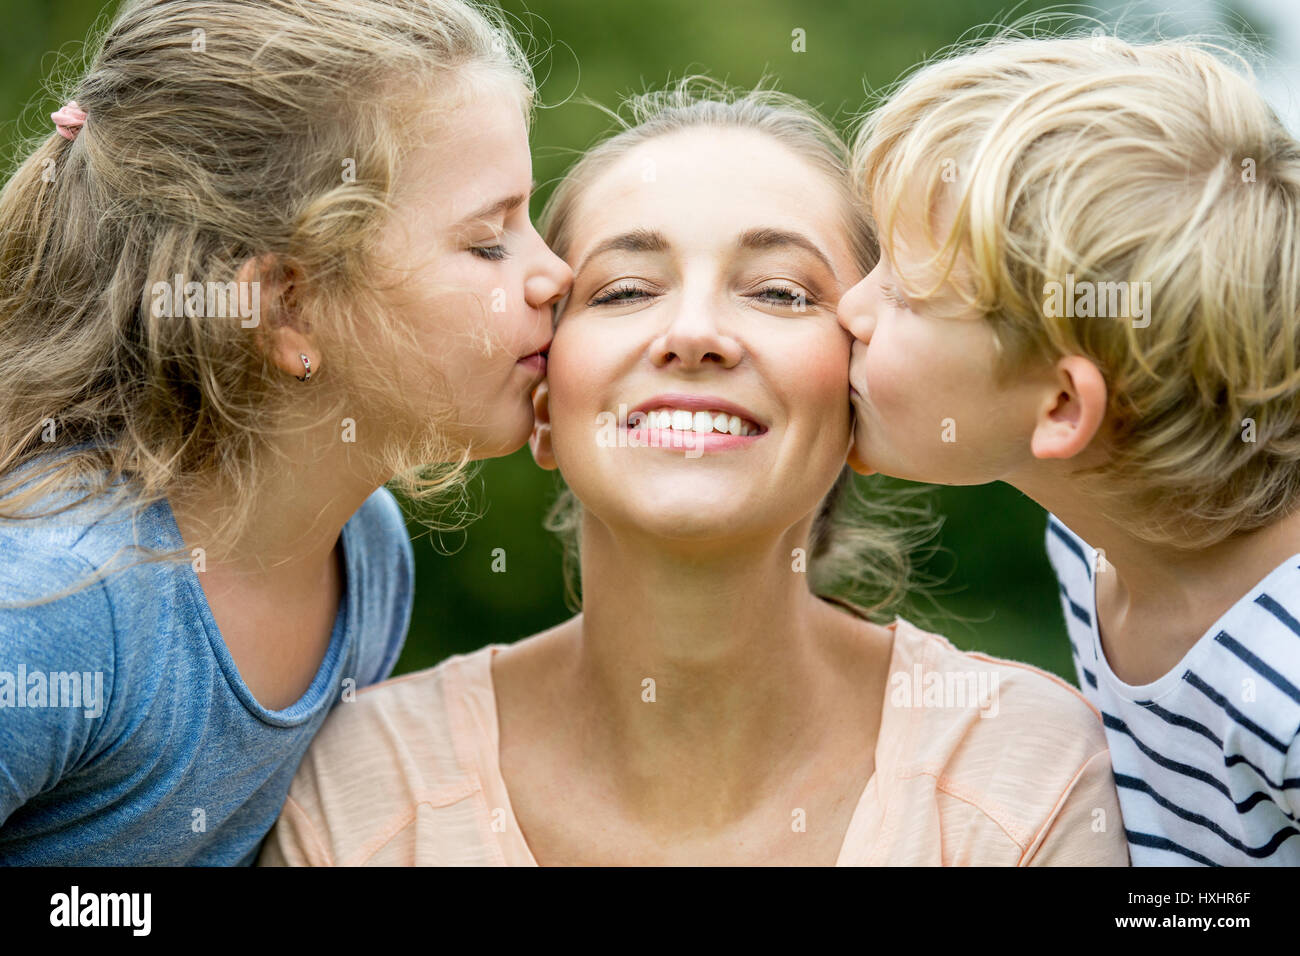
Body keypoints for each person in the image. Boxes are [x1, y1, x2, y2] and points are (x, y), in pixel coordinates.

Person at [260, 82, 1128, 866]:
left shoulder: (1026, 775)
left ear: (864, 389)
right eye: (626, 290)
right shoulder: (362, 789)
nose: (696, 331)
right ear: (544, 396)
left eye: (782, 292)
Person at [0, 0, 570, 865]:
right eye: (488, 242)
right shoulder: (60, 601)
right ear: (290, 310)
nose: (556, 274)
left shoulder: (366, 552)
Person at [837, 28, 1300, 865]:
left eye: (902, 294)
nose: (849, 311)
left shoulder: (1284, 668)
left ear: (1060, 406)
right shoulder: (1089, 544)